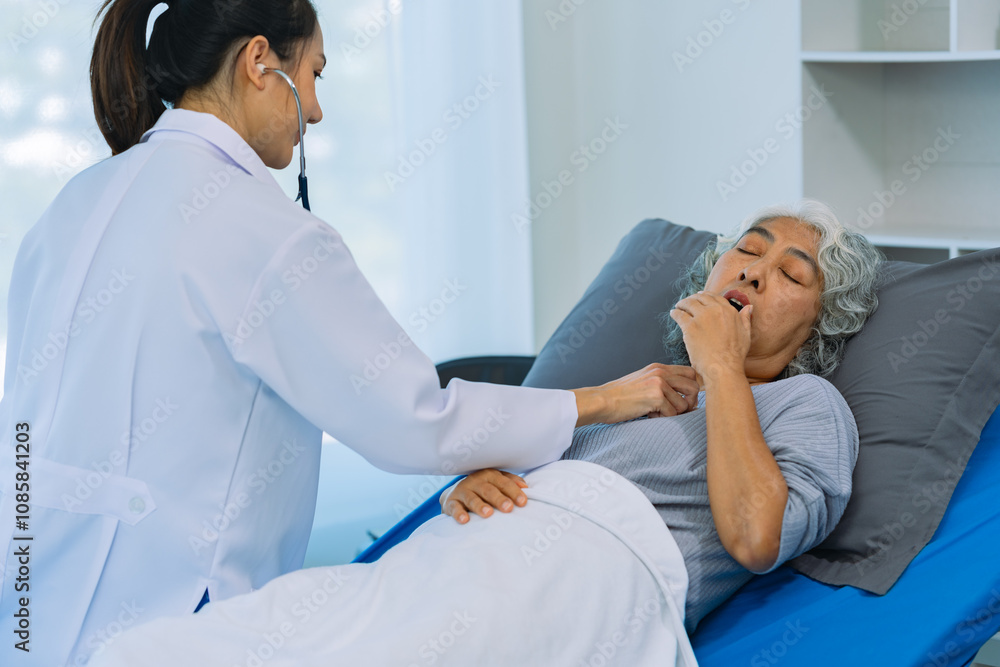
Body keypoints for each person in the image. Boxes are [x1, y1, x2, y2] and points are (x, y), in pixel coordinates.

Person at [0, 2, 687, 665]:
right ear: (259, 61)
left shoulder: (77, 201)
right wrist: (607, 399)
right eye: (315, 75)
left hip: (32, 606)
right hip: (175, 617)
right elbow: (415, 420)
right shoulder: (258, 226)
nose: (317, 110)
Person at [441, 201, 884, 631]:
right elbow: (502, 469)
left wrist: (723, 366)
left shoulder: (807, 401)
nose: (751, 272)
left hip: (568, 600)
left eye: (791, 274)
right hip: (464, 560)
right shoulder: (638, 391)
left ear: (818, 331)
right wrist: (474, 488)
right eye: (747, 250)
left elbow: (757, 538)